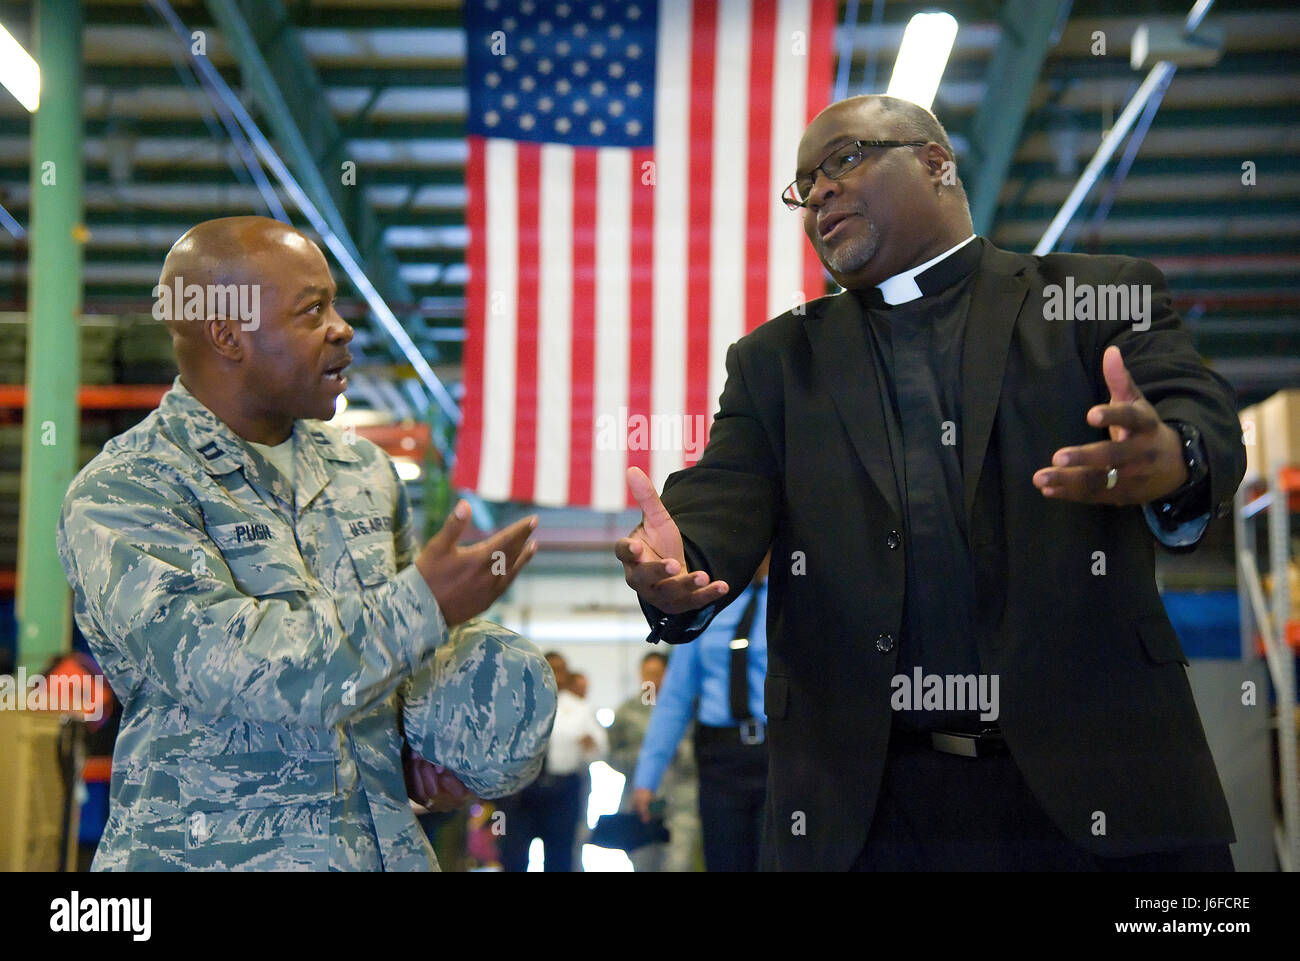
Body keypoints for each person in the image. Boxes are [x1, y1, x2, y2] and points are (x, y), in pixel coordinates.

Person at [616, 95, 1245, 872]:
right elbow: (719, 504)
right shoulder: (776, 363)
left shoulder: (1092, 299)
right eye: (804, 184)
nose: (817, 193)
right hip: (870, 816)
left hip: (1105, 788)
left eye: (843, 160)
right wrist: (677, 569)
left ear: (937, 162)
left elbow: (1199, 414)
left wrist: (1176, 456)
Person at [58, 216, 545, 871]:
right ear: (228, 334)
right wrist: (422, 604)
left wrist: (425, 753)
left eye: (335, 304)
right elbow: (236, 664)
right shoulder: (125, 490)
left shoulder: (363, 474)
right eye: (313, 309)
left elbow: (378, 672)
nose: (342, 327)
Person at [631, 556, 770, 871]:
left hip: (779, 756)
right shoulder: (708, 606)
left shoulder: (793, 602)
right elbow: (675, 699)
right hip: (719, 759)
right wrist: (647, 778)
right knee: (723, 861)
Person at [497, 652, 606, 870]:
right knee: (513, 855)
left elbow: (601, 749)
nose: (556, 675)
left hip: (562, 791)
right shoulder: (517, 702)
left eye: (561, 670)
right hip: (522, 791)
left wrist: (590, 744)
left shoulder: (579, 708)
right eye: (551, 668)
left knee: (560, 856)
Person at [607, 651, 700, 871]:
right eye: (648, 673)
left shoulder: (690, 709)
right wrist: (645, 759)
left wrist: (678, 752)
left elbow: (705, 752)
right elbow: (611, 755)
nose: (652, 679)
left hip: (682, 803)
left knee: (680, 863)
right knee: (643, 863)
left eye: (658, 674)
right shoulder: (627, 711)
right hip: (641, 805)